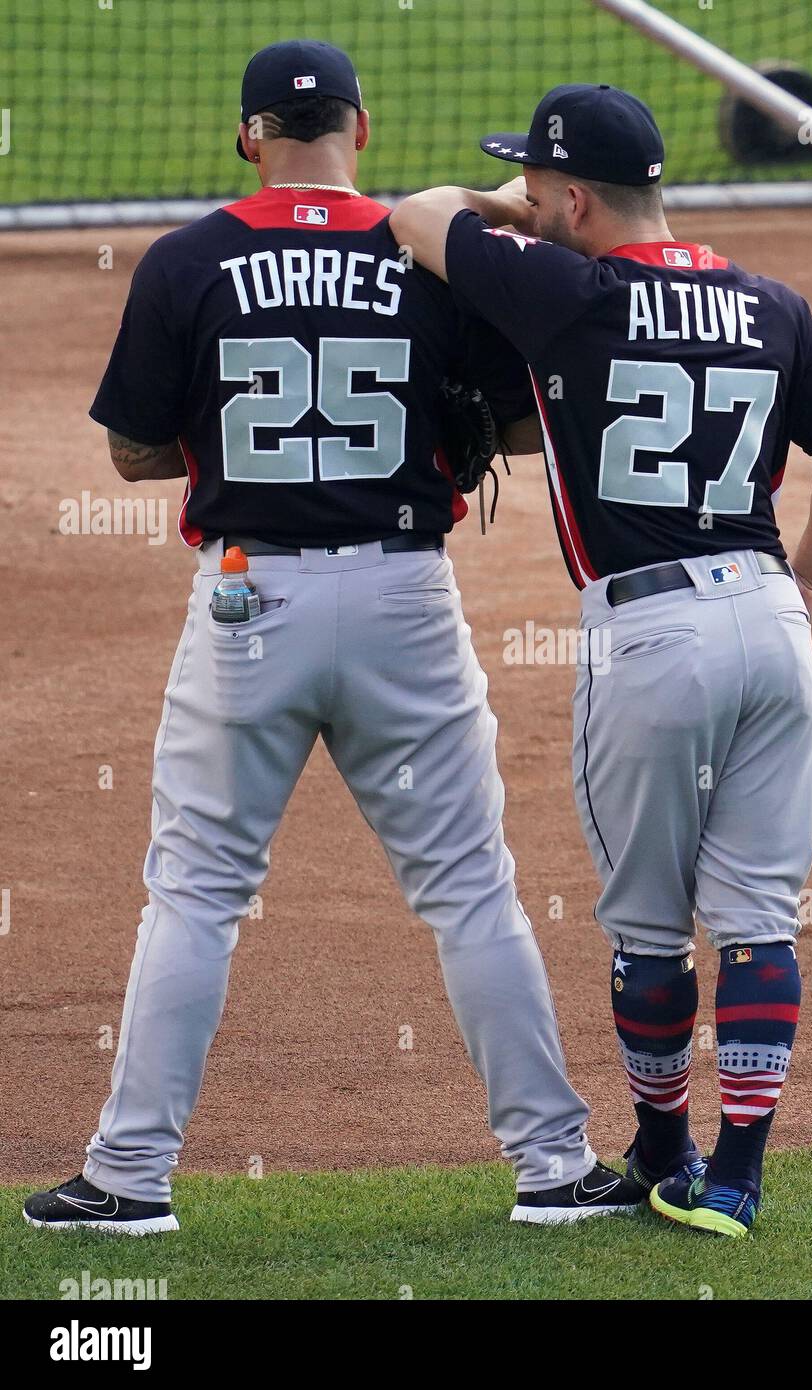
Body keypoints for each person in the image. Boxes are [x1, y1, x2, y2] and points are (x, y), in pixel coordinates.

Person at [23, 46, 643, 1236]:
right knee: (470, 890)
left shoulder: (187, 259)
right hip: (405, 594)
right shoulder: (418, 253)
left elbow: (134, 452)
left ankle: (130, 1178)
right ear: (361, 124)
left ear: (247, 135)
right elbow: (520, 421)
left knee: (195, 895)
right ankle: (556, 1166)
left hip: (248, 602)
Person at [390, 83, 812, 1239]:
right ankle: (737, 1178)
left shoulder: (565, 291)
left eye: (541, 185)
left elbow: (412, 215)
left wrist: (503, 209)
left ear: (569, 196)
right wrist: (804, 583)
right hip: (771, 624)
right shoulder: (773, 304)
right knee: (760, 918)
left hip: (650, 637)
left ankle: (661, 1146)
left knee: (650, 927)